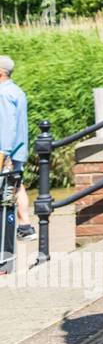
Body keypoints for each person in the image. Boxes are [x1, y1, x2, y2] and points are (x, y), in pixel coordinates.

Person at [0, 56, 32, 241]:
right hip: (19, 149)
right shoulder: (17, 91)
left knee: (8, 190)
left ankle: (7, 237)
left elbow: (6, 128)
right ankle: (26, 226)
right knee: (18, 186)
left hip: (7, 152)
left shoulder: (3, 94)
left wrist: (3, 155)